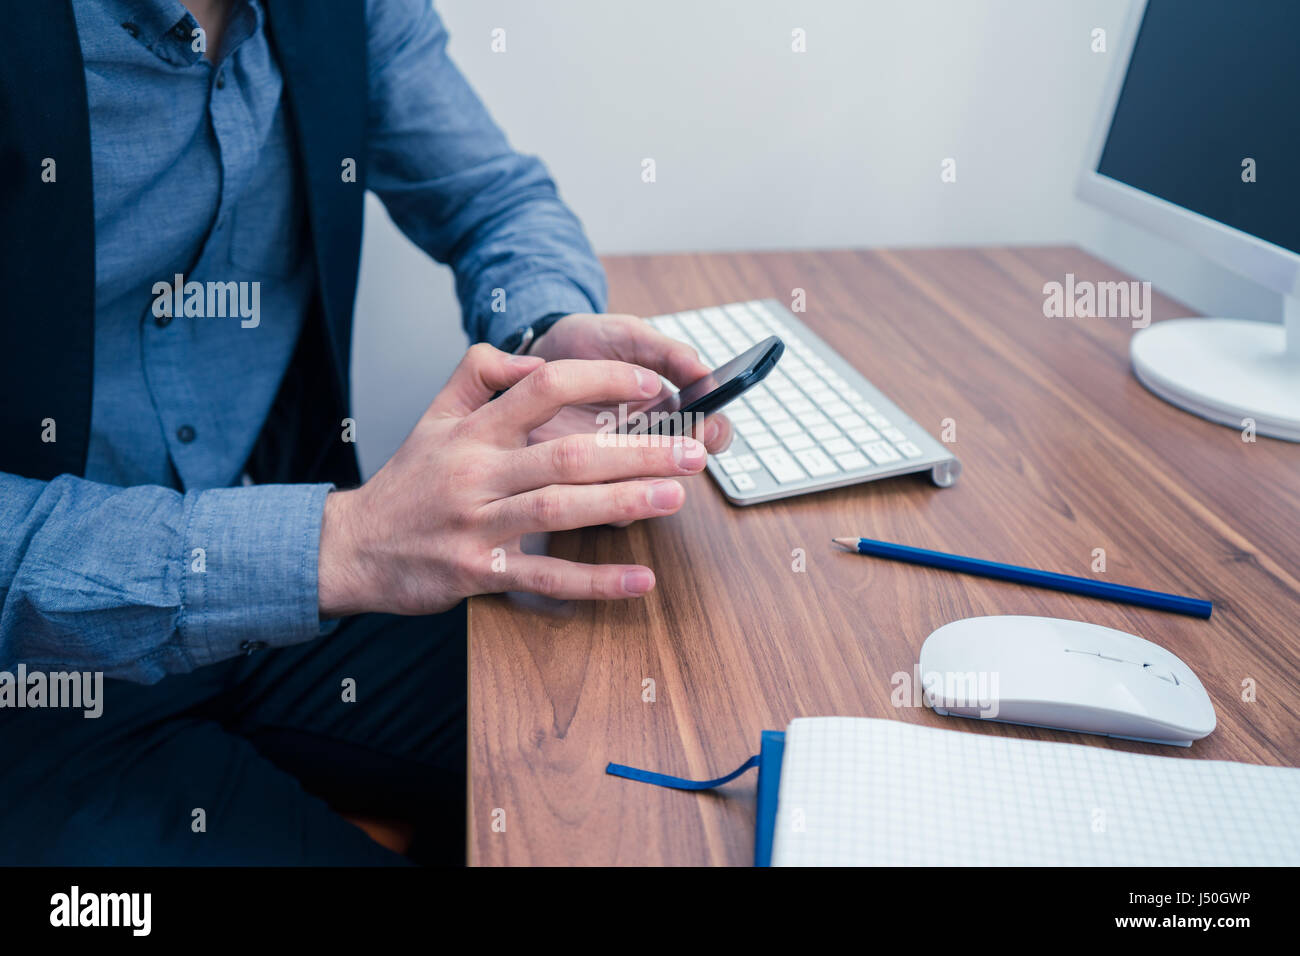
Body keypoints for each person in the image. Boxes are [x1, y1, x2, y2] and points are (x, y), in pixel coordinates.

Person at [0, 0, 729, 865]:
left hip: (293, 592)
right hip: (37, 687)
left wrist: (541, 334)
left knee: (665, 745)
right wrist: (336, 544)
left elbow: (494, 199)